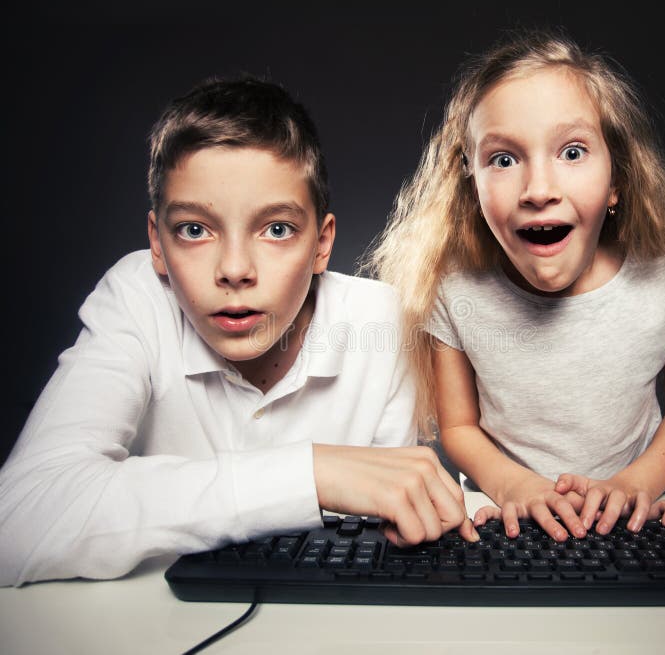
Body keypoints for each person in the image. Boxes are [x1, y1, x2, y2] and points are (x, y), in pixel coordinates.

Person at [0, 76, 477, 587]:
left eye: (276, 229)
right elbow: (16, 524)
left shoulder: (380, 322)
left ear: (322, 243)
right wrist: (311, 474)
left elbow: (387, 542)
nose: (234, 270)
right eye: (194, 230)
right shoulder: (137, 297)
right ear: (156, 244)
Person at [365, 29, 665, 543]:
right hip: (505, 517)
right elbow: (459, 426)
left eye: (573, 152)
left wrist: (633, 486)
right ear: (470, 184)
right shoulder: (453, 285)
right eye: (504, 159)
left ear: (617, 179)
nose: (539, 190)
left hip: (630, 519)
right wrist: (516, 486)